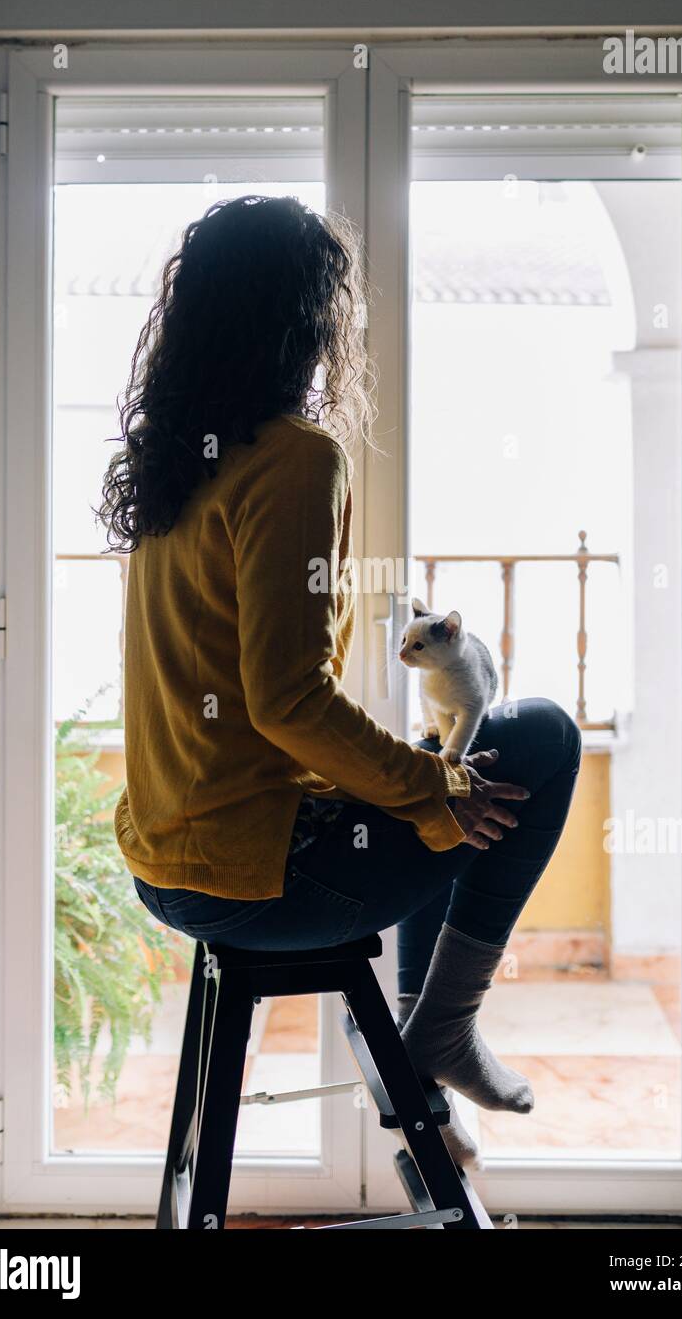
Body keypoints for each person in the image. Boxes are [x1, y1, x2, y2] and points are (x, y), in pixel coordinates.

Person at [99, 195, 581, 1165]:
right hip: (256, 875)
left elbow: (249, 701)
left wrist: (418, 780)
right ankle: (437, 1027)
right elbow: (286, 701)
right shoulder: (294, 457)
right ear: (305, 318)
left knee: (422, 787)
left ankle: (426, 1031)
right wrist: (434, 780)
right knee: (538, 738)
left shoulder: (177, 463)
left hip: (167, 861)